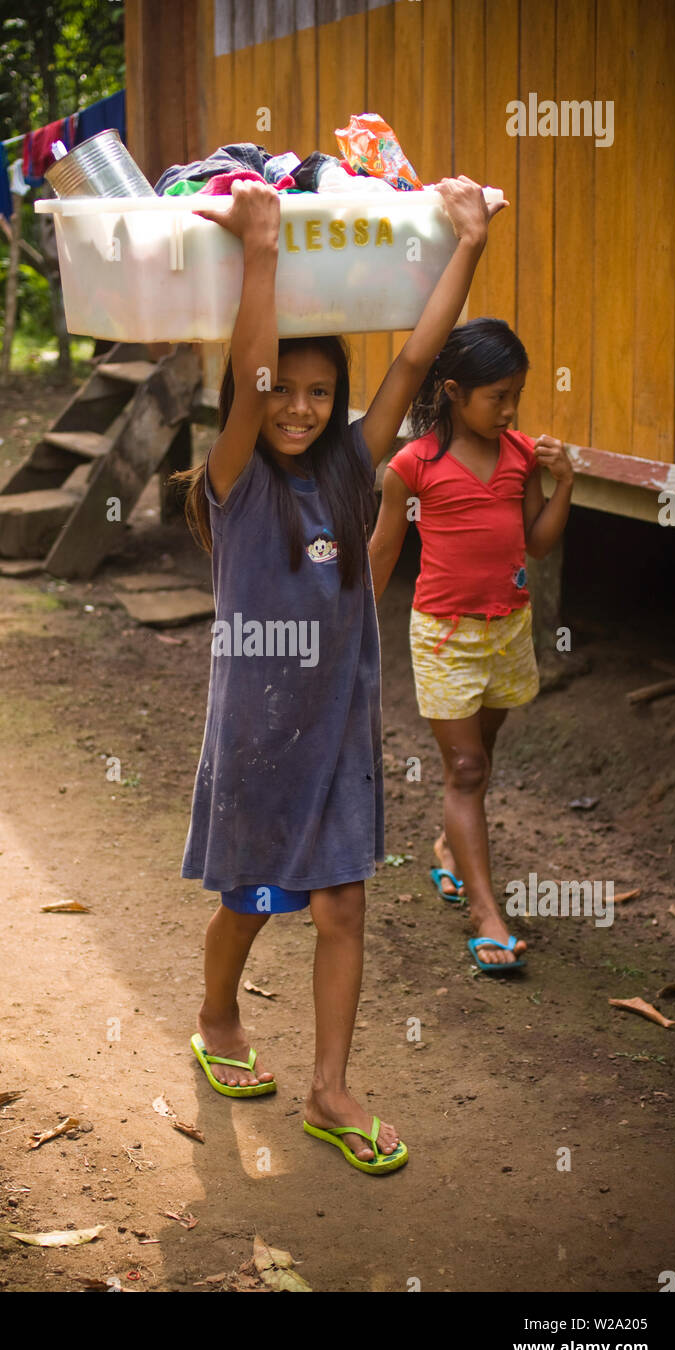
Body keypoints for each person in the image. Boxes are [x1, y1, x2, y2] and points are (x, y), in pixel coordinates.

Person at [177, 175, 503, 1172]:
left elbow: (413, 358)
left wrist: (469, 244)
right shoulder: (230, 478)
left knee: (342, 906)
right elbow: (253, 376)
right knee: (250, 897)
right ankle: (217, 1012)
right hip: (252, 741)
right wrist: (262, 249)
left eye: (323, 392)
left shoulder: (352, 467)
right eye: (288, 390)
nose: (301, 408)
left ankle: (329, 1087)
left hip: (336, 733)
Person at [368, 317, 574, 973]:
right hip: (444, 637)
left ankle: (449, 849)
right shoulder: (413, 465)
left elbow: (537, 542)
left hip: (508, 627)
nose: (511, 409)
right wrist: (348, 624)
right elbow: (383, 548)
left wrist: (565, 483)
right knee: (465, 771)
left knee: (478, 757)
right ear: (454, 392)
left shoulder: (518, 456)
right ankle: (487, 913)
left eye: (517, 393)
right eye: (498, 396)